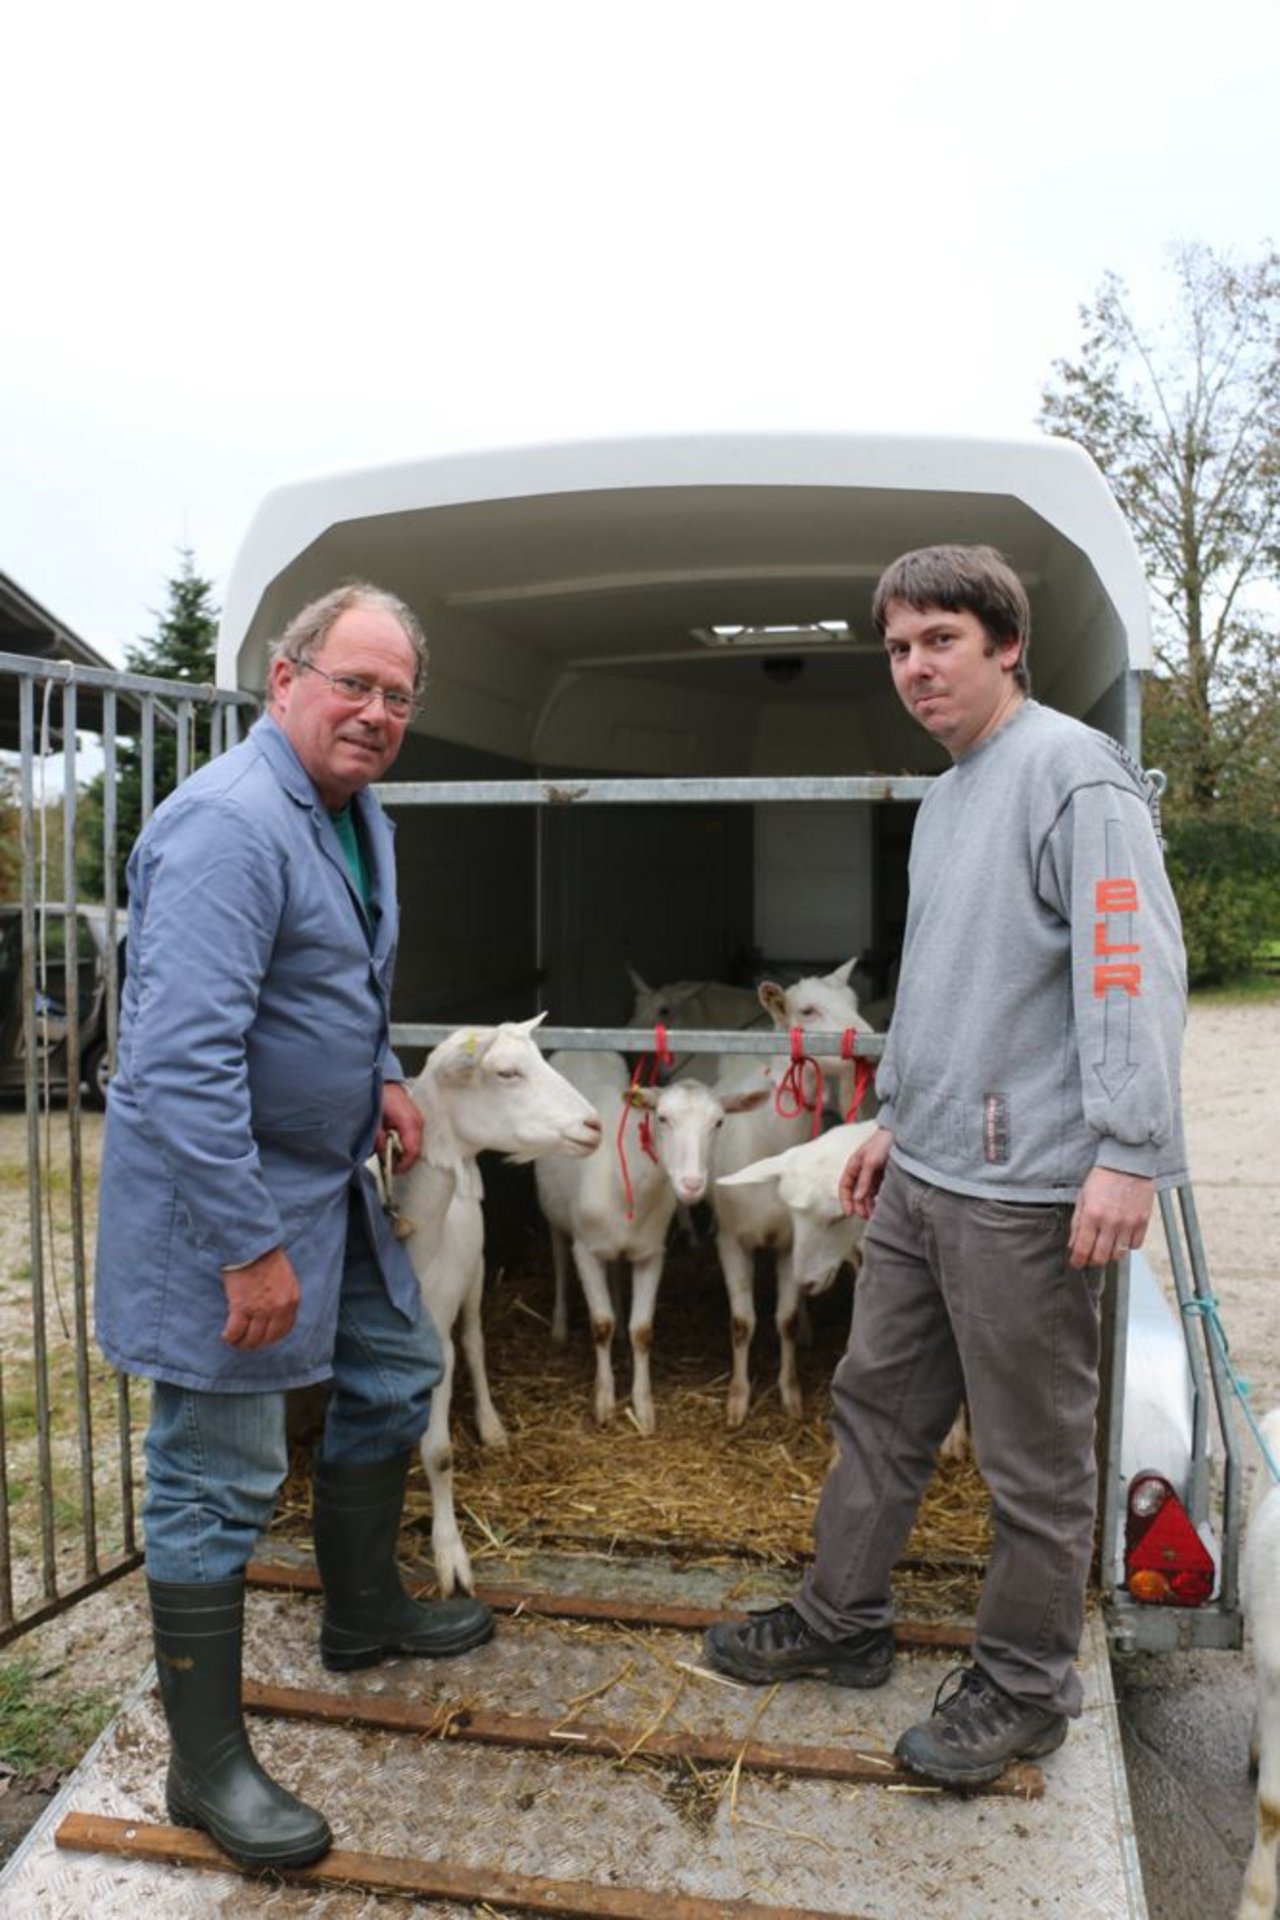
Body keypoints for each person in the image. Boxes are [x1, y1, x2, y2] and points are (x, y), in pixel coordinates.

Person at [704, 543, 1187, 1785]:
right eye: (899, 649)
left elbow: (1127, 970)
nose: (915, 669)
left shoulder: (1072, 776)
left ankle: (1026, 1685)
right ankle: (840, 1618)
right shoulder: (953, 791)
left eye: (941, 643)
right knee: (877, 1409)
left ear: (1004, 645)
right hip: (925, 1174)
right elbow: (935, 993)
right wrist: (887, 1123)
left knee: (1030, 1454)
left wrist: (1127, 1153)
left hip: (1025, 1191)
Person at [95, 582, 493, 1870]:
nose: (373, 713)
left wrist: (376, 1065)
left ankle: (362, 1612)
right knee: (215, 1476)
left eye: (396, 696)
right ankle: (205, 1771)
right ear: (284, 680)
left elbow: (338, 972)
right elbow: (173, 1064)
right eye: (351, 684)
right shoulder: (226, 827)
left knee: (395, 1370)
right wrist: (245, 1246)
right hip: (228, 1205)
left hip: (325, 1181)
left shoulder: (352, 813)